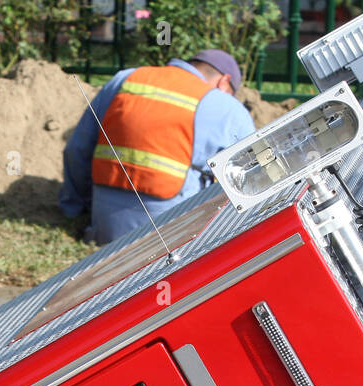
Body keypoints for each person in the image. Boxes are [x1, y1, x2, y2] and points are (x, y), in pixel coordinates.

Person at [59, 49, 255, 245]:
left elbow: (77, 149)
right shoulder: (226, 106)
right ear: (223, 82)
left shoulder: (125, 79)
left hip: (104, 227)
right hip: (169, 237)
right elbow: (253, 178)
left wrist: (75, 208)